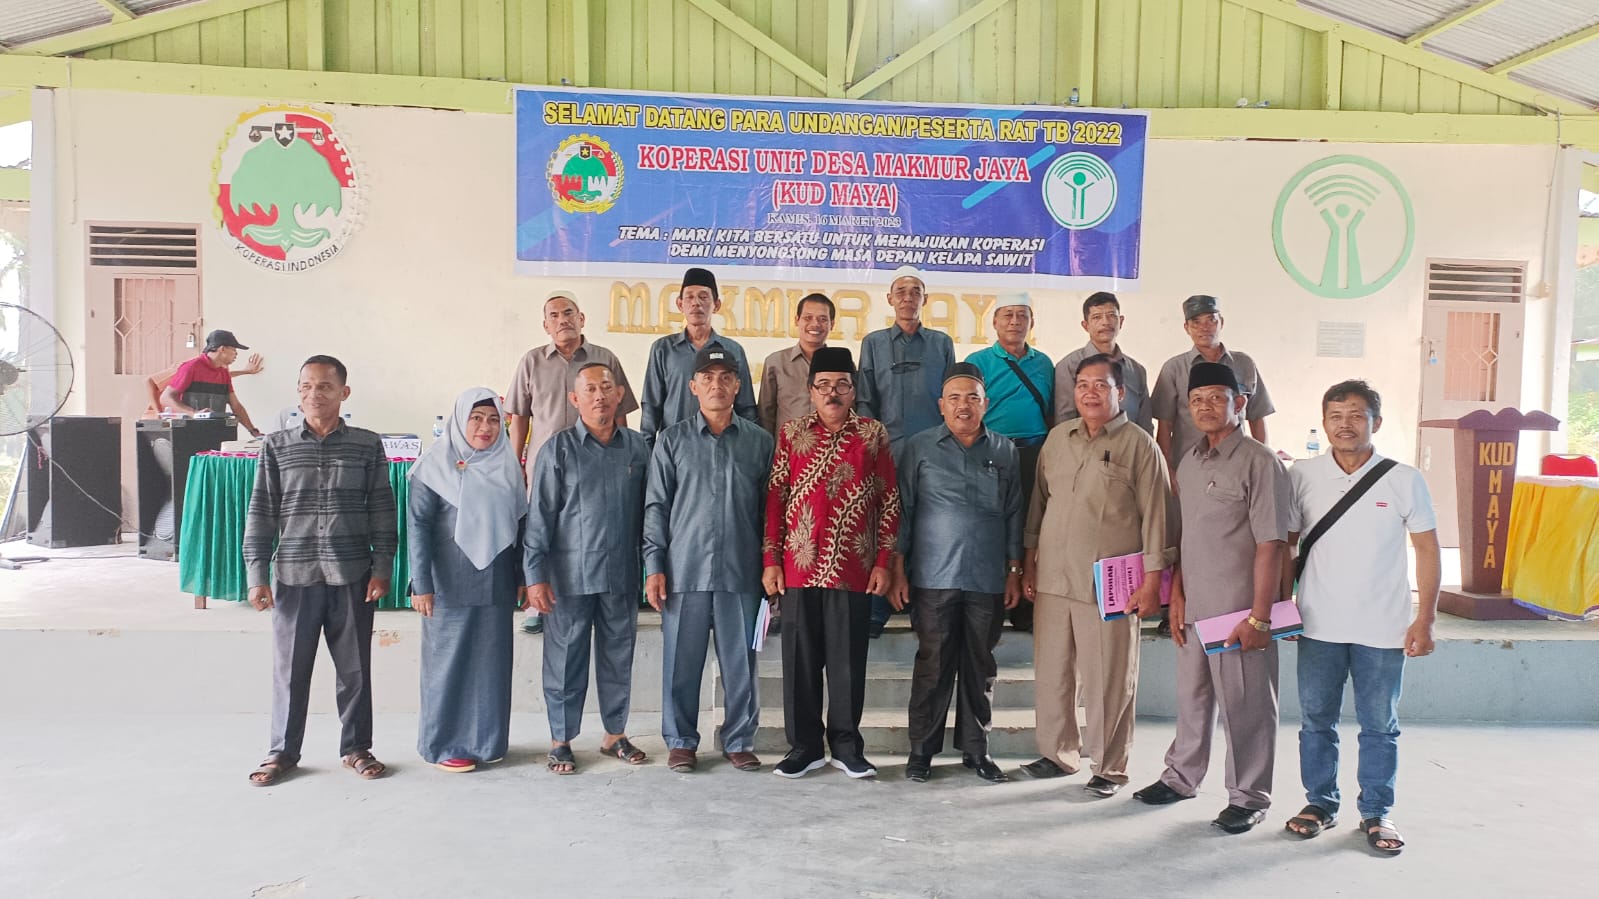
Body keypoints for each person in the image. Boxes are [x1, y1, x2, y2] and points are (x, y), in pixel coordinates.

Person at [1281, 380, 1441, 855]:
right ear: (1323, 421)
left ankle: (1376, 811)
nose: (1345, 424)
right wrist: (1281, 607)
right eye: (1335, 415)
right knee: (1315, 722)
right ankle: (1320, 804)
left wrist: (1425, 618)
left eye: (1356, 414)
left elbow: (1428, 550)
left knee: (1379, 726)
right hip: (1316, 623)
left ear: (1376, 421)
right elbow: (1287, 546)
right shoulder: (1301, 475)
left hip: (1384, 626)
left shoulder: (1403, 478)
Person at [1133, 362, 1289, 835]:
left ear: (1239, 404)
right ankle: (1181, 778)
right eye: (1196, 400)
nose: (1204, 407)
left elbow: (1273, 544)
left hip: (1240, 609)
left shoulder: (1260, 462)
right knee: (1193, 699)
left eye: (1216, 398)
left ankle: (1248, 796)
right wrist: (1177, 593)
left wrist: (1261, 618)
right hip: (1196, 604)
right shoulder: (1189, 461)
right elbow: (1189, 536)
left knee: (1247, 706)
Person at [1021, 354, 1172, 797]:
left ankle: (1109, 766)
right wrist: (1028, 561)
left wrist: (1152, 581)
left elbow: (1157, 518)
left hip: (1111, 585)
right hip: (1053, 577)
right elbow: (1039, 506)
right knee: (1053, 672)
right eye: (1083, 384)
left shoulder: (1139, 445)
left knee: (1109, 676)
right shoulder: (1056, 440)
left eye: (1100, 385)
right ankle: (1057, 753)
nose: (1090, 392)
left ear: (1119, 393)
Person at [243, 355, 397, 786]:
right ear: (298, 392)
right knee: (290, 671)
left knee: (355, 670)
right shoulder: (277, 446)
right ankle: (282, 752)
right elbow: (261, 513)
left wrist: (381, 567)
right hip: (294, 575)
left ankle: (356, 748)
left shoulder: (367, 445)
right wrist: (256, 575)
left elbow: (383, 511)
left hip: (351, 573)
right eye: (306, 386)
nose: (315, 395)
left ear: (344, 393)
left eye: (325, 387)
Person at [763, 347, 899, 780]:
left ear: (853, 390)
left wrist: (883, 561)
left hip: (854, 567)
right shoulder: (791, 432)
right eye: (824, 386)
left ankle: (846, 745)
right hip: (799, 566)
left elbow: (889, 500)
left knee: (847, 662)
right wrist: (771, 560)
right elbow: (776, 498)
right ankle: (804, 747)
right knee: (800, 662)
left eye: (841, 385)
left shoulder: (873, 434)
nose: (833, 393)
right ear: (810, 391)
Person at [889, 363, 1021, 784]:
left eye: (972, 398)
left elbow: (1015, 513)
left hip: (986, 577)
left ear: (987, 403)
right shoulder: (919, 447)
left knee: (981, 666)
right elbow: (903, 511)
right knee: (933, 664)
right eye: (955, 398)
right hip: (932, 575)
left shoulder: (1004, 450)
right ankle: (921, 752)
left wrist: (1015, 569)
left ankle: (975, 750)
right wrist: (897, 568)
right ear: (940, 405)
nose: (964, 406)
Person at [644, 346, 774, 774]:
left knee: (742, 664)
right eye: (708, 378)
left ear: (737, 386)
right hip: (685, 571)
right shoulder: (672, 440)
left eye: (725, 378)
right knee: (681, 664)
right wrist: (654, 566)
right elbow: (656, 507)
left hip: (741, 573)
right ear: (693, 386)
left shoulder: (759, 442)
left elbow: (770, 511)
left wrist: (770, 568)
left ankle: (738, 740)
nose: (716, 385)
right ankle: (681, 742)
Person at [524, 362, 651, 774]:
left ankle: (615, 734)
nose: (600, 395)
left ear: (619, 396)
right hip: (568, 578)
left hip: (621, 575)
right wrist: (535, 575)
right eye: (590, 389)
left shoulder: (638, 448)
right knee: (564, 659)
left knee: (618, 656)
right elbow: (539, 516)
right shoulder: (557, 450)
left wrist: (653, 569)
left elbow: (651, 515)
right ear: (575, 399)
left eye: (607, 388)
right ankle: (561, 740)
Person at [408, 388, 529, 773]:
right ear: (460, 420)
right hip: (448, 582)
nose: (486, 427)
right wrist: (421, 582)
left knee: (490, 665)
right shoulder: (434, 466)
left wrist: (523, 577)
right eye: (476, 418)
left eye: (494, 419)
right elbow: (418, 526)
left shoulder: (507, 466)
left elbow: (521, 525)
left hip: (495, 580)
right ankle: (445, 742)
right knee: (447, 663)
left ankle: (486, 741)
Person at [506, 290, 638, 635]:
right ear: (545, 325)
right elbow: (519, 416)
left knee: (599, 528)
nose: (562, 319)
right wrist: (514, 463)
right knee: (543, 528)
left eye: (568, 313)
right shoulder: (531, 362)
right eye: (554, 315)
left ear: (582, 318)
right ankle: (539, 601)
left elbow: (619, 414)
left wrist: (623, 456)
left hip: (598, 460)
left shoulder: (604, 357)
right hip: (546, 462)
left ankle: (607, 597)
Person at [856, 265, 953, 636]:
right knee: (886, 527)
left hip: (933, 453)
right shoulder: (874, 343)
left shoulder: (941, 343)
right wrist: (873, 446)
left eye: (915, 292)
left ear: (925, 300)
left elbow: (947, 397)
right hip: (888, 450)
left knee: (929, 526)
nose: (908, 298)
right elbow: (865, 400)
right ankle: (877, 609)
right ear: (890, 299)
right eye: (902, 291)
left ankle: (921, 607)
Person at [964, 291, 1052, 632]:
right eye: (1008, 315)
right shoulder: (979, 361)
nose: (1015, 322)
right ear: (995, 321)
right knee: (993, 525)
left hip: (1034, 454)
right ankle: (991, 601)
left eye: (1022, 315)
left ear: (1031, 322)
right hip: (993, 453)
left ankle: (1026, 607)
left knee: (1032, 526)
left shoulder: (1044, 363)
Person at [1150, 295, 1274, 472]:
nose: (1204, 328)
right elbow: (1165, 426)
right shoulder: (1174, 368)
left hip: (1237, 465)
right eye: (1196, 322)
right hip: (1189, 465)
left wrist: (1263, 463)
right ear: (1186, 328)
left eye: (1211, 320)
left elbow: (1257, 416)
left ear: (1221, 322)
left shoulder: (1244, 364)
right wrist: (1167, 471)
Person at [639, 267, 757, 446]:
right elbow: (651, 407)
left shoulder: (733, 351)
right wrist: (646, 454)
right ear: (680, 304)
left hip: (722, 446)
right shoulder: (663, 349)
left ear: (716, 305)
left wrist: (750, 448)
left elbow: (746, 408)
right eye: (690, 297)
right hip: (674, 447)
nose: (696, 303)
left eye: (703, 297)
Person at [1054, 291, 1152, 434]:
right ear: (1085, 325)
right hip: (1084, 451)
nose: (1105, 322)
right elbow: (1064, 422)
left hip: (1130, 450)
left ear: (1121, 321)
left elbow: (1145, 424)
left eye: (1112, 316)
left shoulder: (1137, 370)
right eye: (1097, 317)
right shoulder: (1069, 366)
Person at [160, 329, 265, 436]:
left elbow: (236, 406)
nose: (236, 354)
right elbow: (165, 398)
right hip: (187, 433)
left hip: (214, 433)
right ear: (222, 349)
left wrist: (253, 431)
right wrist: (194, 414)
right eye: (234, 349)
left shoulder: (224, 373)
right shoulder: (191, 367)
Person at [759, 292, 835, 434]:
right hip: (787, 452)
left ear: (832, 324)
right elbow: (766, 416)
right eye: (808, 318)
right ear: (797, 320)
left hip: (830, 451)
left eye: (823, 319)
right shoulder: (775, 362)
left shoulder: (840, 366)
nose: (815, 324)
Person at [143, 351, 264, 418]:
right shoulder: (186, 368)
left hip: (176, 417)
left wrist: (246, 371)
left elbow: (221, 377)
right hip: (157, 418)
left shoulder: (211, 372)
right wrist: (159, 413)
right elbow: (149, 381)